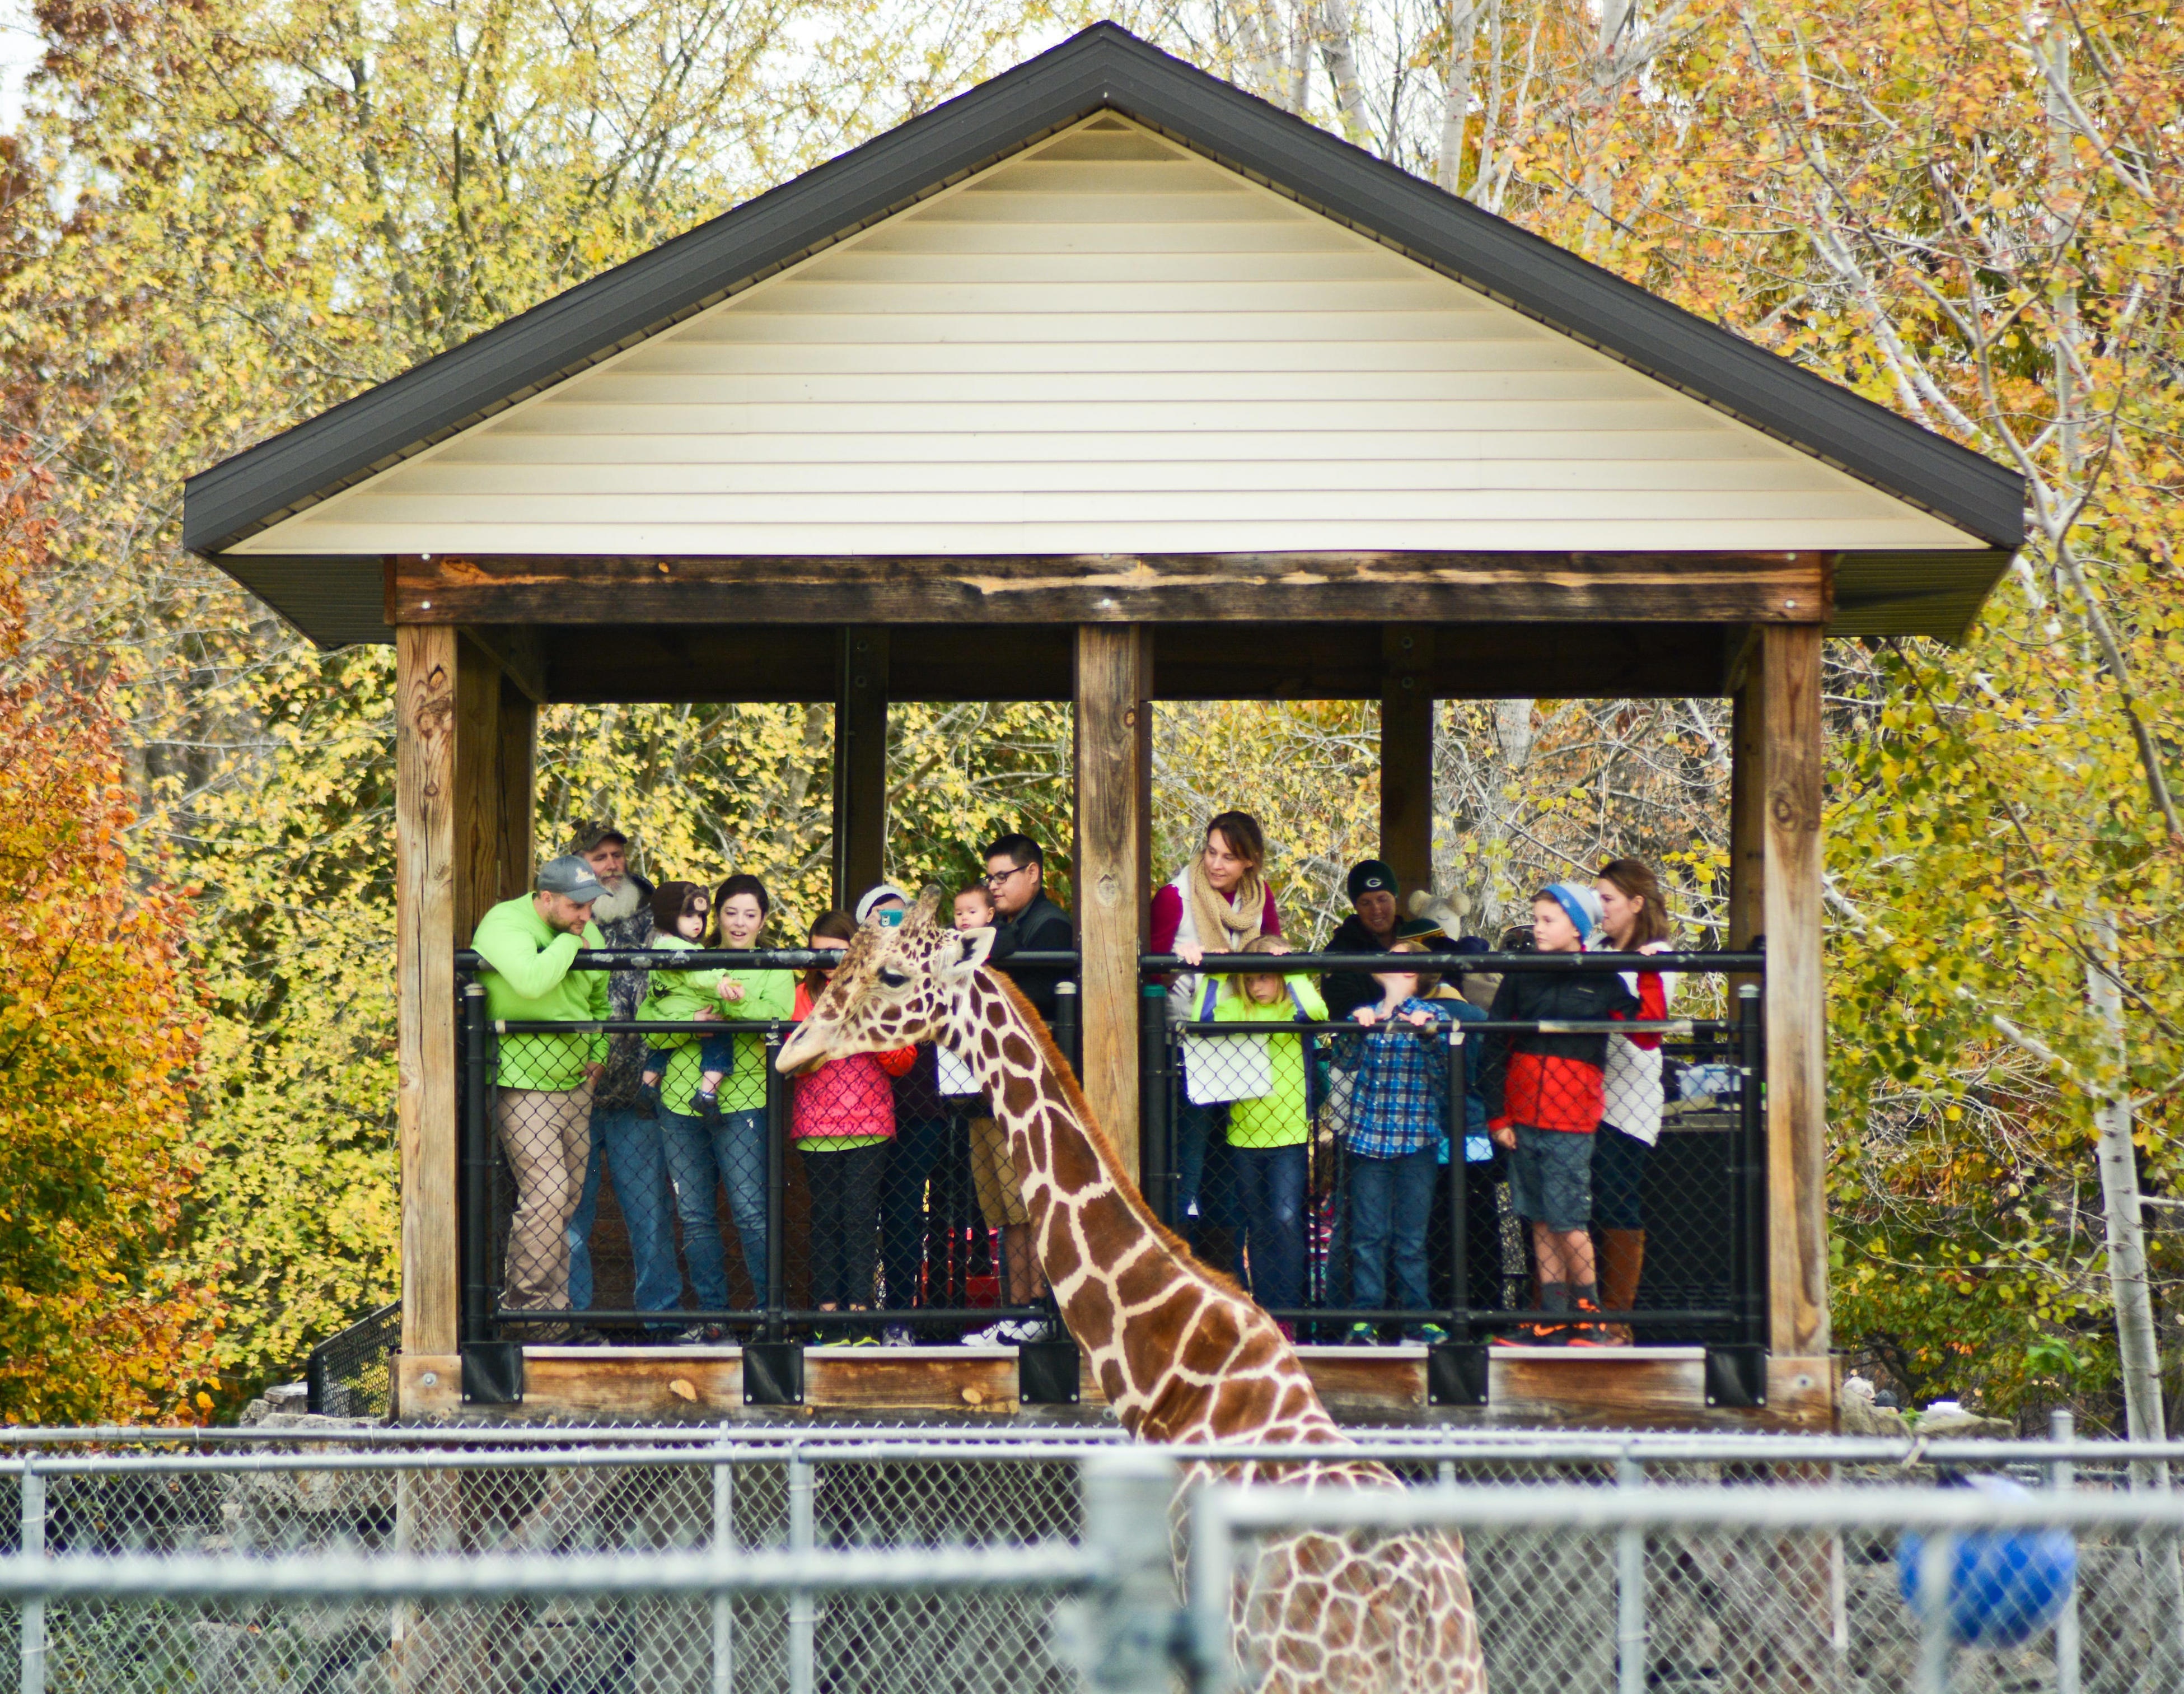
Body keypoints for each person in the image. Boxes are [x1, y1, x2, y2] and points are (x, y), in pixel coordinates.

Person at [1481, 883, 1641, 1348]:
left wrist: (1651, 971)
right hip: (1522, 1119)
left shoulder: (1601, 976)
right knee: (1537, 1218)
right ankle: (1550, 1314)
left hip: (1571, 1120)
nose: (1537, 927)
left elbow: (1643, 1028)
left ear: (1577, 926)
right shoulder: (1521, 975)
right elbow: (1494, 1044)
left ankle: (1589, 1312)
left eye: (1547, 920)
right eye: (1536, 918)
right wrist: (1498, 1116)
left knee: (1568, 1217)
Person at [471, 855, 612, 1330]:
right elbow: (531, 981)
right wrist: (571, 943)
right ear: (545, 898)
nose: (585, 918)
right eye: (576, 907)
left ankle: (554, 1312)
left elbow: (600, 1002)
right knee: (547, 1193)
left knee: (567, 1196)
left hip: (577, 1080)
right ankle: (525, 1307)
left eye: (591, 907)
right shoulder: (504, 922)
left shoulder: (586, 929)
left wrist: (598, 1055)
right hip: (521, 1081)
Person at [658, 872, 792, 1338]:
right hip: (678, 1100)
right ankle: (714, 1319)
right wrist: (692, 1020)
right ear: (716, 915)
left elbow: (773, 1019)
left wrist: (728, 1005)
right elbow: (657, 1017)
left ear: (763, 919)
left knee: (750, 1212)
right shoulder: (689, 957)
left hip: (744, 1103)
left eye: (749, 914)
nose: (739, 923)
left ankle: (767, 1316)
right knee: (694, 1215)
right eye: (730, 912)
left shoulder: (776, 963)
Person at [560, 823, 679, 1330]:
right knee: (569, 1218)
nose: (613, 865)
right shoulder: (562, 921)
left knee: (650, 1217)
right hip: (574, 1090)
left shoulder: (659, 916)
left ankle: (662, 1320)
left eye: (618, 855)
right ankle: (572, 1320)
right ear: (580, 865)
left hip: (637, 1097)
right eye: (601, 857)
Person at [1154, 811, 1282, 1248]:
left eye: (1229, 856)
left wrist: (1252, 960)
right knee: (1185, 1165)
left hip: (1246, 1043)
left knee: (1232, 1170)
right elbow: (1145, 980)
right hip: (1186, 1046)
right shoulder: (1174, 896)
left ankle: (1226, 1276)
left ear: (1250, 861)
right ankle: (1172, 1273)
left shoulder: (1261, 897)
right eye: (1210, 851)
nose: (1215, 864)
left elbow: (1277, 957)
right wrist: (1176, 964)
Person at [965, 836, 1068, 1345]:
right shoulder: (1004, 928)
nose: (994, 886)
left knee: (1028, 1207)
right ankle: (1016, 1308)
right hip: (994, 1092)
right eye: (989, 879)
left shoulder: (1050, 925)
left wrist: (989, 946)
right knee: (1005, 1211)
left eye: (1001, 877)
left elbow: (1037, 990)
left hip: (1032, 1096)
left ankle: (1038, 1310)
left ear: (1033, 873)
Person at [793, 911, 913, 1340]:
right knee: (825, 1217)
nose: (829, 959)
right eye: (820, 950)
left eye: (838, 951)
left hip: (869, 1121)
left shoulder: (880, 992)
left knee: (861, 1216)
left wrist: (866, 1030)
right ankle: (828, 1319)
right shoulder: (801, 995)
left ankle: (861, 1315)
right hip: (815, 1122)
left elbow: (902, 1060)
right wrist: (826, 1036)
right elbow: (795, 1064)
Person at [1332, 941, 1454, 1344]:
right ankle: (1364, 1317)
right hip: (1369, 1139)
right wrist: (1355, 1029)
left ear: (1412, 972)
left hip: (1416, 1140)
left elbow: (1444, 1074)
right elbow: (1345, 1062)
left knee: (1411, 1238)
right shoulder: (1367, 1012)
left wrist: (1427, 1034)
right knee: (1368, 1234)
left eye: (1396, 955)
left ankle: (1416, 1318)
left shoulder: (1433, 1013)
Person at [1210, 935, 1321, 1331]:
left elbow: (1317, 1010)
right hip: (1243, 1135)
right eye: (1250, 977)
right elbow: (1204, 1019)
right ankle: (1267, 1310)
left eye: (1265, 976)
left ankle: (1289, 1311)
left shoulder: (1293, 1007)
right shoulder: (1237, 1007)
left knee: (1287, 1219)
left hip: (1288, 1134)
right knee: (1257, 1223)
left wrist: (1291, 966)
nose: (1257, 985)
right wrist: (1217, 971)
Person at [860, 883, 954, 1345]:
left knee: (902, 1213)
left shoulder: (931, 962)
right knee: (856, 1214)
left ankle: (899, 1313)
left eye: (903, 914)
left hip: (918, 1110)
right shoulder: (857, 973)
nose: (897, 924)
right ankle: (854, 1314)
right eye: (885, 917)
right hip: (857, 1112)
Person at [1592, 857, 1674, 1346]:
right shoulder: (1594, 947)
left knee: (1616, 1198)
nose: (1599, 908)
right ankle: (1573, 1310)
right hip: (1580, 1090)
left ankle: (1617, 1317)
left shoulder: (1656, 954)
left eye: (1607, 899)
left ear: (1636, 903)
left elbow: (1645, 1023)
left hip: (1628, 1095)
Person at [1320, 858, 1402, 1024]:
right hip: (1364, 1038)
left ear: (1395, 897)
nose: (1376, 909)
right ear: (1356, 906)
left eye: (1382, 899)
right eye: (1366, 903)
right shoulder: (1340, 949)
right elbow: (1341, 1006)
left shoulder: (1418, 937)